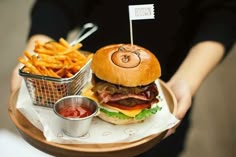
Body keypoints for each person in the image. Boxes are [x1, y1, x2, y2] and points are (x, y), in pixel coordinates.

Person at [11, 0, 236, 156]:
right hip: (91, 78)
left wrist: (187, 80)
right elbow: (56, 4)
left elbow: (224, 12)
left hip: (173, 75)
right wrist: (36, 56)